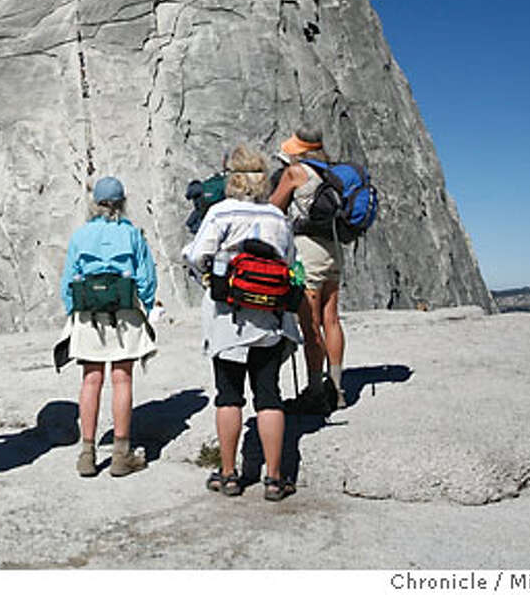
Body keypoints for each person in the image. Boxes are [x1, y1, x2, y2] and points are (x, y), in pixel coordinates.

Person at [181, 145, 300, 501]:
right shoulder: (278, 218)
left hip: (227, 320)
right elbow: (290, 264)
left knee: (229, 395)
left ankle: (230, 474)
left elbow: (196, 254)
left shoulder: (220, 213)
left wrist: (209, 273)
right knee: (269, 396)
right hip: (270, 320)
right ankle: (275, 479)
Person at [55, 176, 157, 478]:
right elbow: (147, 279)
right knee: (122, 378)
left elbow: (68, 278)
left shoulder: (81, 235)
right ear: (122, 203)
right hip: (124, 310)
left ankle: (87, 453)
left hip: (89, 313)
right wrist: (146, 308)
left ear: (95, 203)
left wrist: (73, 311)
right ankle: (120, 454)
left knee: (90, 380)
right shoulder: (132, 235)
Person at [269, 127, 346, 412]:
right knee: (332, 318)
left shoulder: (296, 172)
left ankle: (315, 392)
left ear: (300, 150)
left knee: (309, 322)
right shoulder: (331, 172)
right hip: (333, 249)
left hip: (307, 251)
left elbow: (274, 206)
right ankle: (336, 386)